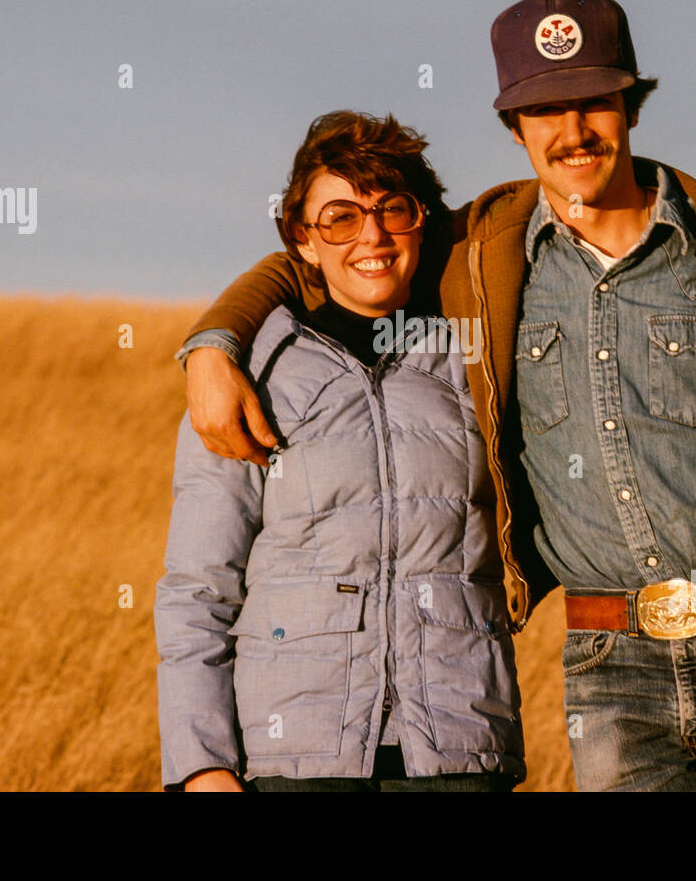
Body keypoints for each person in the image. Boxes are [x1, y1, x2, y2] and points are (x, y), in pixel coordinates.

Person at [174, 0, 696, 792]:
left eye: (593, 101)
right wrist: (214, 343)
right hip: (608, 663)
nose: (572, 132)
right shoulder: (489, 252)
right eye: (543, 109)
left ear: (630, 103)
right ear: (514, 126)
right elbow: (336, 249)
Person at [155, 111, 524, 792]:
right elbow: (197, 589)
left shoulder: (479, 362)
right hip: (295, 759)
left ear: (424, 223)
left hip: (458, 752)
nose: (372, 236)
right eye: (341, 218)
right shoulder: (252, 376)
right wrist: (201, 766)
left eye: (393, 210)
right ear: (302, 237)